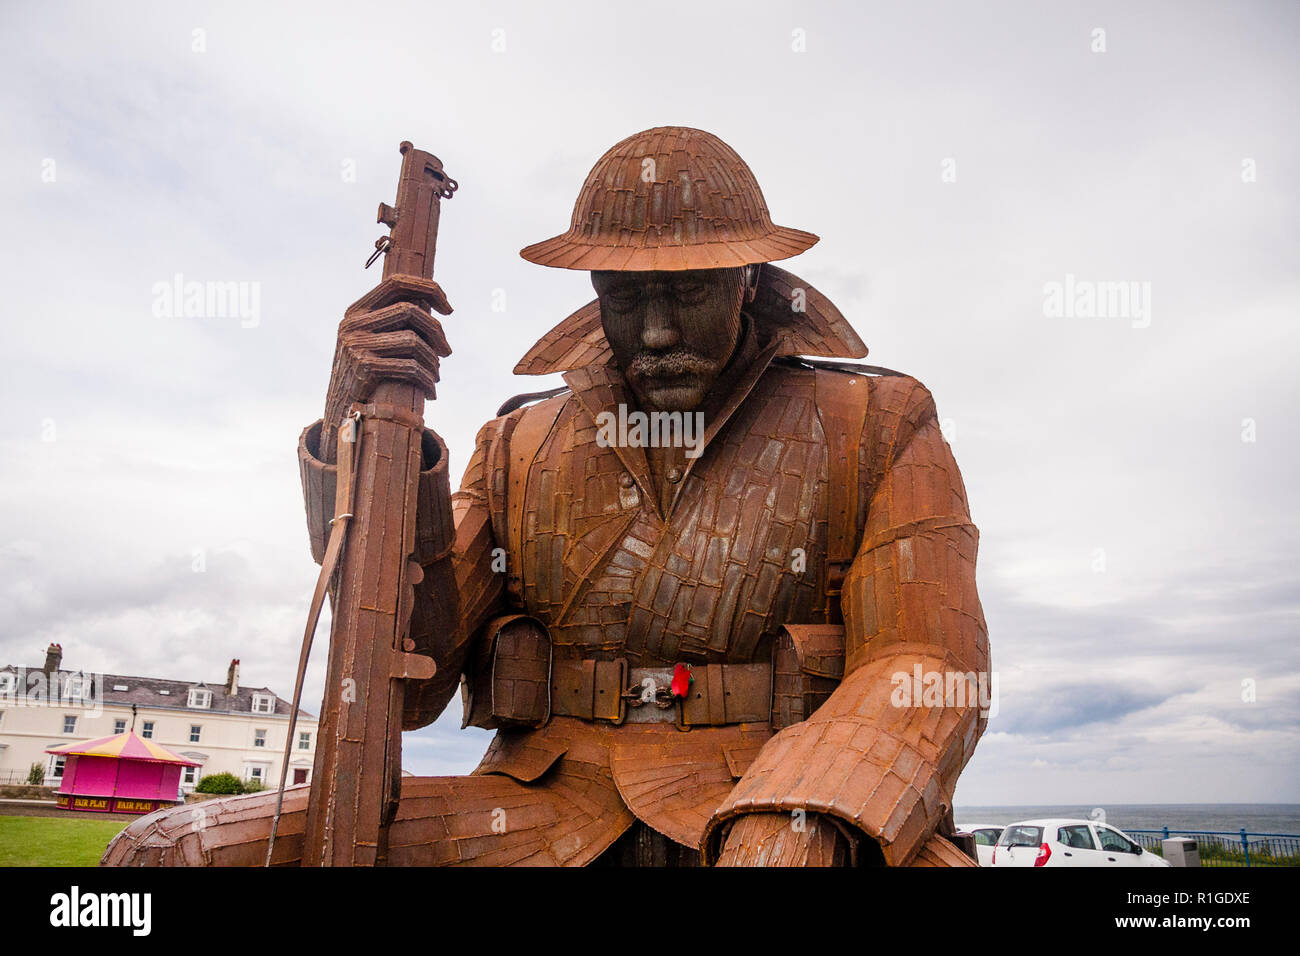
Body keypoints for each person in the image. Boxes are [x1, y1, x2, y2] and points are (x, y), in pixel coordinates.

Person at [104, 126, 989, 867]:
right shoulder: (521, 441)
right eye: (624, 296)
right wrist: (355, 427)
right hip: (544, 804)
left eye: (686, 293)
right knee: (167, 855)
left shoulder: (877, 419)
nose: (655, 332)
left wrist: (804, 808)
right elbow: (407, 684)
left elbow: (929, 664)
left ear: (748, 279)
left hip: (778, 794)